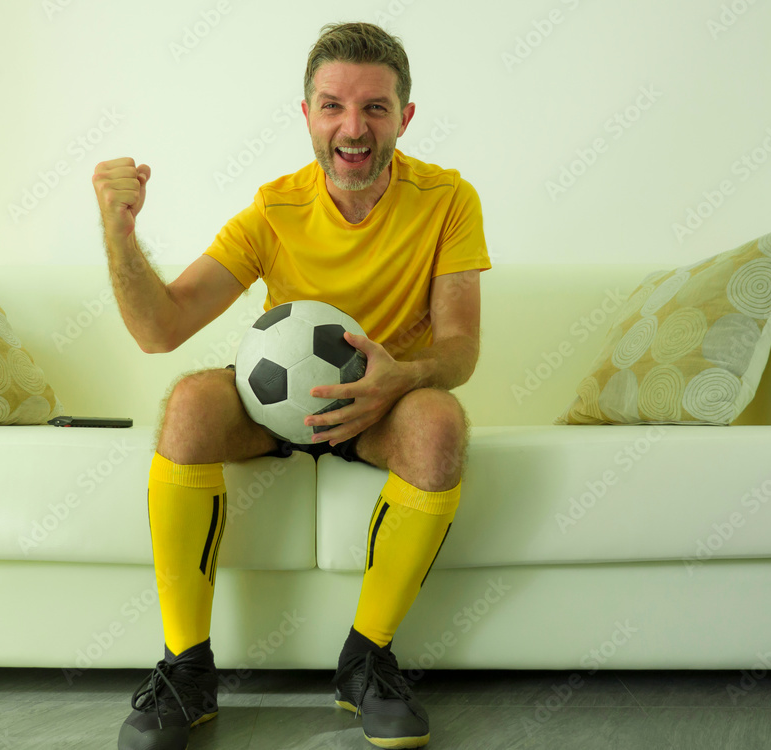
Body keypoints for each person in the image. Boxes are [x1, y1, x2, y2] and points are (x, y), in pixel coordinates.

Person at [92, 20, 491, 750]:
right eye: (333, 105)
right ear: (307, 116)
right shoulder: (273, 208)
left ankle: (366, 662)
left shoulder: (449, 199)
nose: (353, 126)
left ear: (404, 117)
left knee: (440, 424)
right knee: (188, 403)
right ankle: (187, 671)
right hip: (279, 409)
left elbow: (461, 347)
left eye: (375, 107)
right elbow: (162, 328)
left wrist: (404, 376)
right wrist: (119, 234)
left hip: (381, 410)